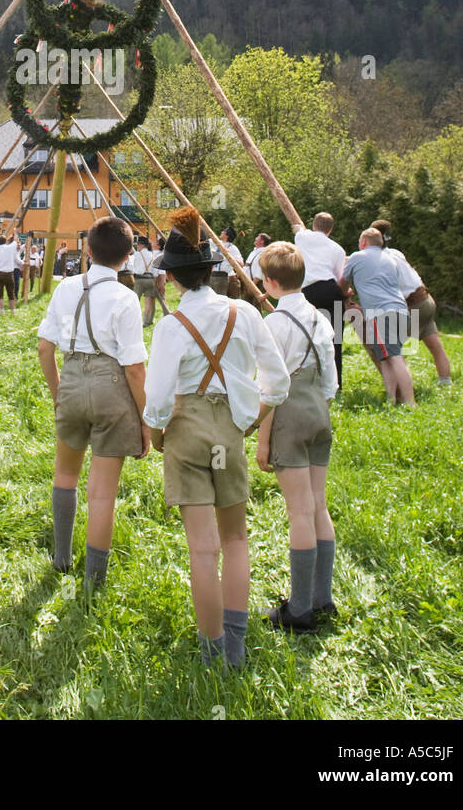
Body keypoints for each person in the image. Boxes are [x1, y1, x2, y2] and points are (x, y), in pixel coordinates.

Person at [143, 208, 290, 669]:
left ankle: (211, 652)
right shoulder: (244, 313)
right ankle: (236, 650)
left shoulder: (170, 327)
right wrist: (251, 420)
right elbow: (278, 382)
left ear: (171, 277)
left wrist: (157, 435)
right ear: (212, 271)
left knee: (202, 548)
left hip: (186, 435)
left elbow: (157, 399)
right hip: (228, 437)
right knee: (236, 540)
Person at [37, 216, 150, 592]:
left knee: (64, 475)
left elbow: (44, 347)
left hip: (71, 379)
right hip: (110, 387)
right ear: (128, 256)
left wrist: (58, 394)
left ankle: (61, 557)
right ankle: (93, 582)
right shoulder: (125, 297)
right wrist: (146, 421)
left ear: (87, 250)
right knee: (101, 493)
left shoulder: (66, 288)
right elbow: (134, 368)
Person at [255, 241, 338, 633]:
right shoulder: (321, 319)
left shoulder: (273, 324)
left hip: (288, 416)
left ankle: (300, 610)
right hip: (319, 414)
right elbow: (329, 382)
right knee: (319, 506)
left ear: (270, 283)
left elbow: (270, 388)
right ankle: (323, 598)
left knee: (299, 513)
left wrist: (262, 440)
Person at [339, 228, 416, 406]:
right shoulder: (390, 259)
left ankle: (410, 402)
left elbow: (343, 283)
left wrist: (346, 294)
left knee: (395, 357)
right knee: (386, 357)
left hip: (380, 313)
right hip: (401, 311)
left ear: (363, 242)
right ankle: (391, 399)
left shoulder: (357, 257)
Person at [371, 220, 452, 385]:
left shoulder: (381, 261)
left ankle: (404, 387)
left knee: (394, 350)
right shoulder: (396, 253)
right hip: (426, 300)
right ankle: (445, 381)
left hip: (412, 305)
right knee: (435, 345)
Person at [291, 212, 347, 389]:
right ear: (330, 229)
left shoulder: (302, 237)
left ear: (314, 225)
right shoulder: (338, 249)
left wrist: (299, 228)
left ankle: (305, 378)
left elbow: (298, 229)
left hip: (308, 292)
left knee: (305, 336)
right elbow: (340, 278)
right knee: (335, 337)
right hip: (330, 290)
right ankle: (335, 383)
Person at [0, 234, 23, 314]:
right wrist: (15, 232)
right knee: (11, 293)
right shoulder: (10, 248)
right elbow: (15, 241)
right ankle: (13, 311)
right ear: (5, 241)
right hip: (8, 273)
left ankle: (1, 311)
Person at [131, 234, 157, 327]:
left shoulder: (137, 254)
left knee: (135, 301)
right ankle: (147, 321)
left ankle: (133, 321)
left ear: (142, 245)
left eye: (138, 244)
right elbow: (155, 270)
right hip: (150, 279)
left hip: (139, 279)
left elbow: (132, 267)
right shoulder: (152, 254)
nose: (137, 246)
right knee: (148, 302)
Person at [220, 226, 245, 300]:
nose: (221, 232)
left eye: (223, 231)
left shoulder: (232, 248)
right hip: (216, 277)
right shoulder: (218, 244)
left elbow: (241, 264)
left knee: (235, 301)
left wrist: (229, 256)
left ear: (227, 235)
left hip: (229, 278)